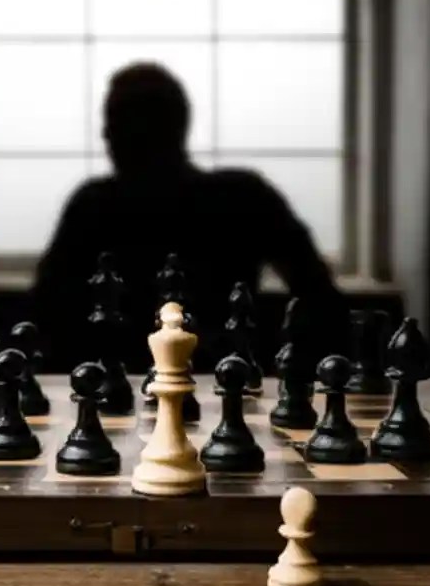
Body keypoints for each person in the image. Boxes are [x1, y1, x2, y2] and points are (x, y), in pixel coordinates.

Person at [29, 62, 348, 371]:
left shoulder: (93, 205)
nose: (105, 134)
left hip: (117, 380)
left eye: (114, 121)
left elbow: (46, 312)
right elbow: (319, 293)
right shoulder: (242, 196)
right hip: (224, 376)